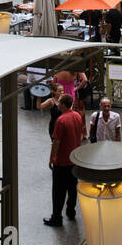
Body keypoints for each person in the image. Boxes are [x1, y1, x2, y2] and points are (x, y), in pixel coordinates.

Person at [45, 94, 86, 227]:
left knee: (58, 191)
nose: (58, 105)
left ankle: (56, 216)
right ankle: (71, 210)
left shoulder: (61, 120)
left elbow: (56, 142)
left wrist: (51, 159)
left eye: (59, 103)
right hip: (74, 160)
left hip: (62, 161)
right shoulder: (77, 116)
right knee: (72, 187)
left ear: (63, 104)